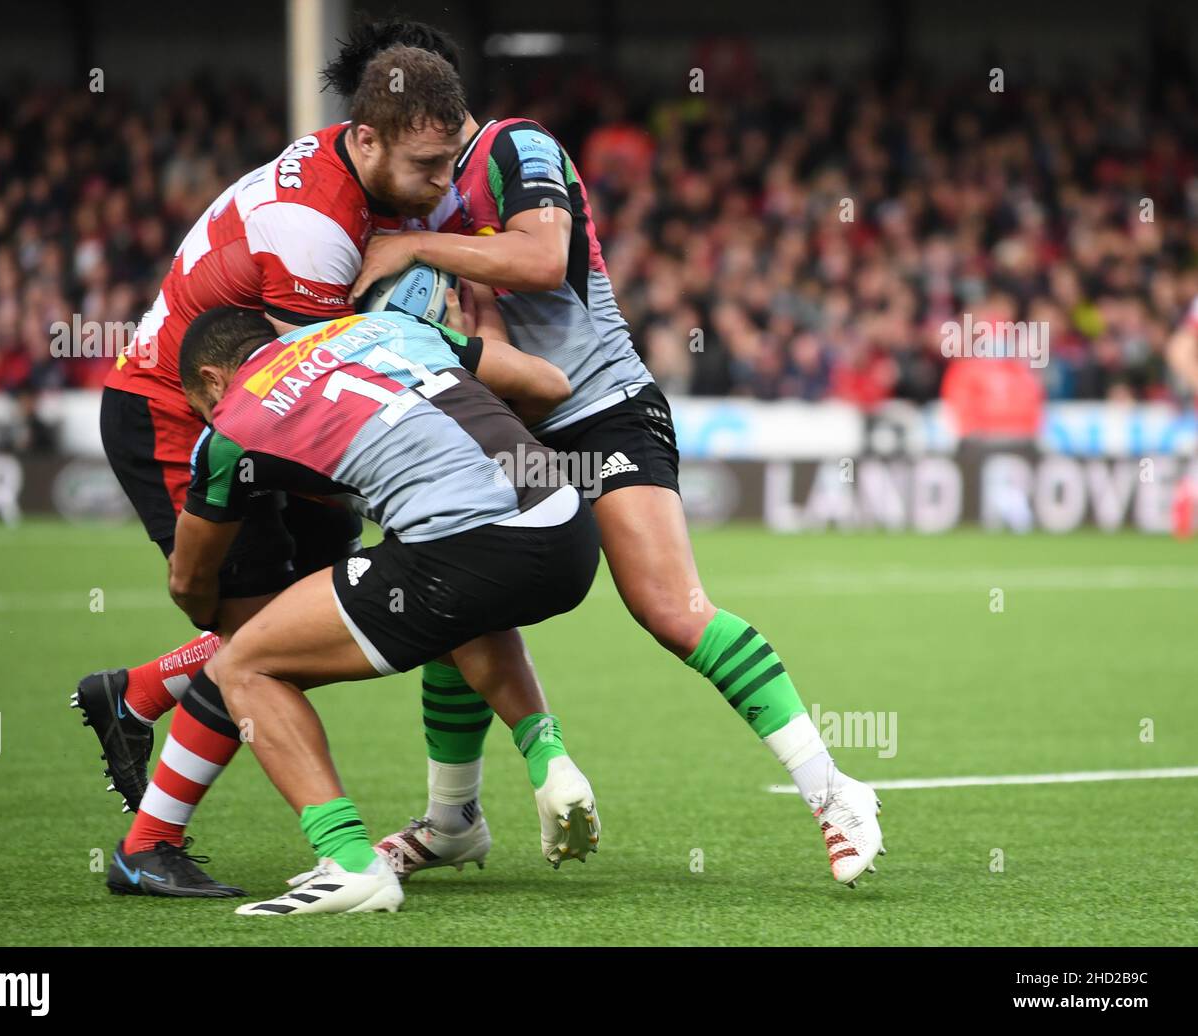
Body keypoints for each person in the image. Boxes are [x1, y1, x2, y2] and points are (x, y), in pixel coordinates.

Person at [335, 18, 885, 886]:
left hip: (604, 412)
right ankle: (451, 820)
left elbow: (546, 258)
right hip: (515, 429)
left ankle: (834, 790)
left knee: (669, 608)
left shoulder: (515, 146)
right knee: (453, 600)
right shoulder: (402, 196)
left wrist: (410, 248)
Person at [73, 45, 471, 822]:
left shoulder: (370, 171)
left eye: (450, 161)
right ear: (365, 140)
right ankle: (152, 845)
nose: (443, 184)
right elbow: (310, 403)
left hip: (260, 409)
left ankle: (139, 695)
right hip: (184, 415)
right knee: (265, 645)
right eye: (429, 165)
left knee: (316, 620)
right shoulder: (310, 229)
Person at [107, 305, 601, 915]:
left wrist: (224, 620)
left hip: (468, 546)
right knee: (461, 609)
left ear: (212, 381)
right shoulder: (383, 323)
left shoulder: (230, 426)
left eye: (203, 405)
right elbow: (542, 384)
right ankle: (545, 758)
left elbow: (189, 579)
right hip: (567, 525)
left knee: (246, 664)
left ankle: (348, 862)